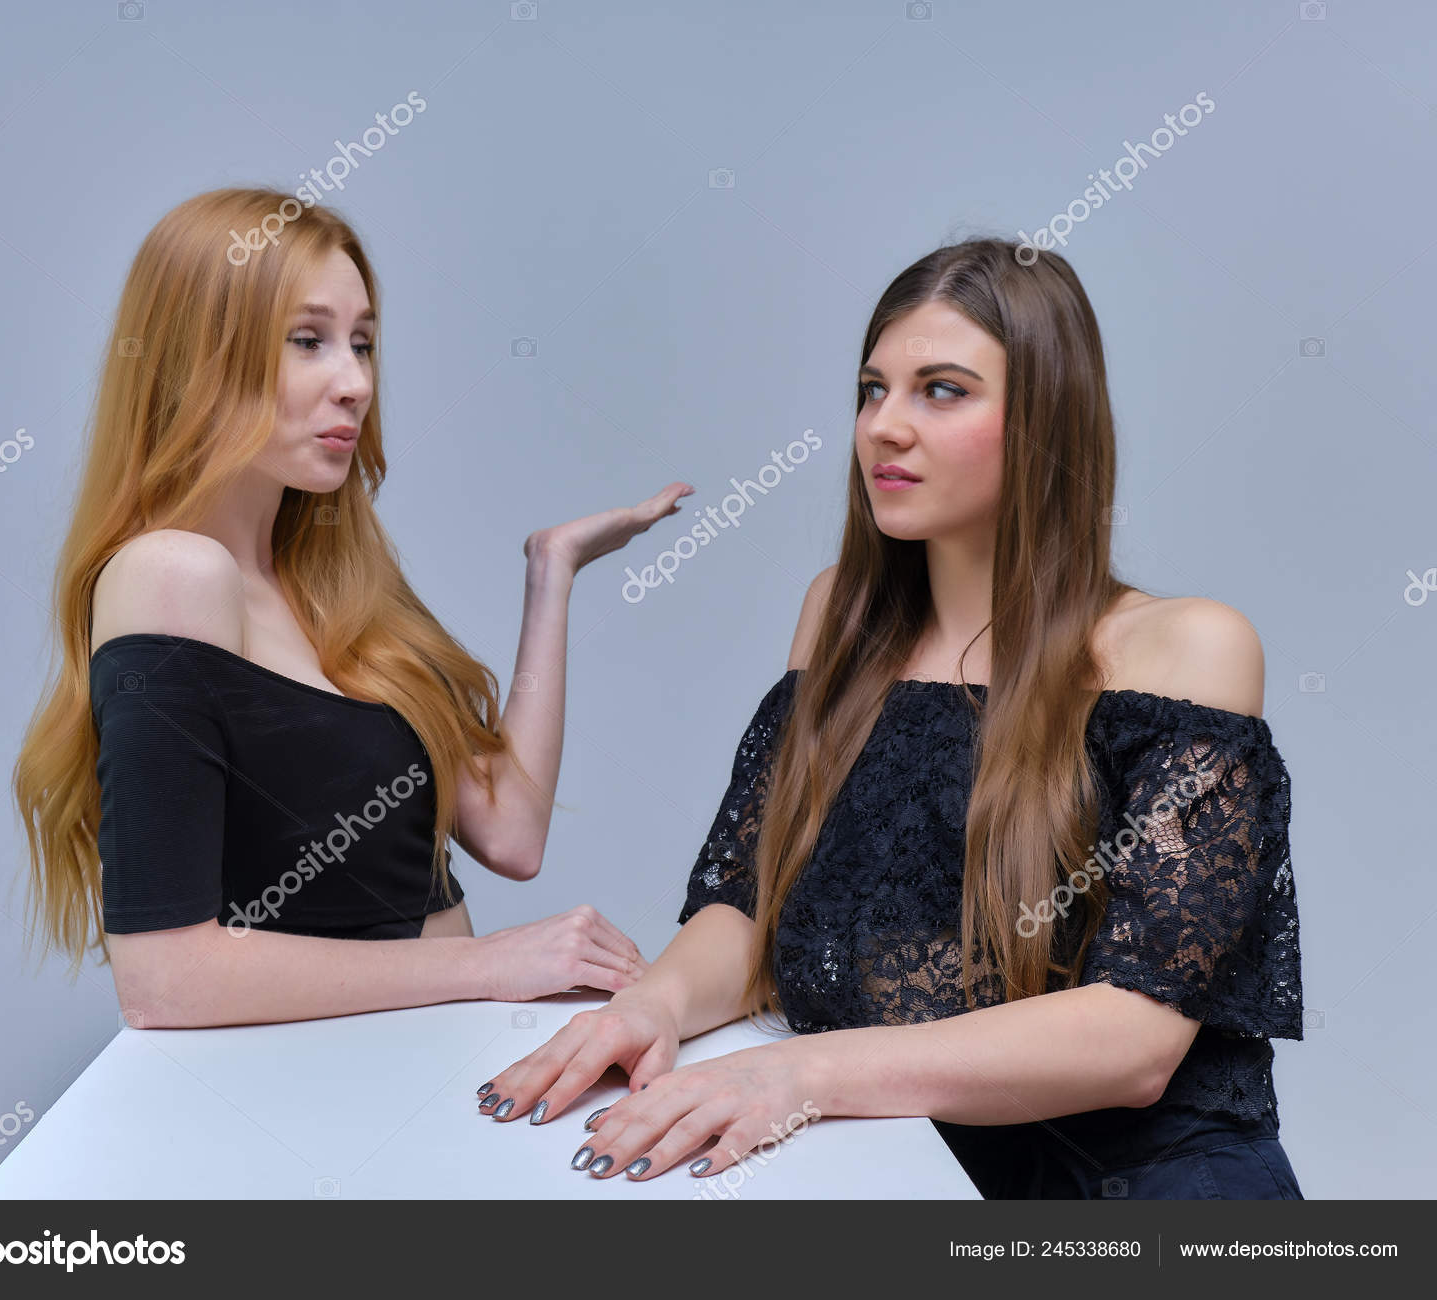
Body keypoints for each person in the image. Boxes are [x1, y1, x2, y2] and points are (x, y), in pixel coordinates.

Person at [474, 238, 1304, 1199]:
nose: (883, 428)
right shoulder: (839, 616)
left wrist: (796, 1074)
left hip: (1135, 1184)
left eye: (941, 391)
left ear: (1047, 422)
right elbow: (754, 902)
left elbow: (1134, 1040)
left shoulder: (1186, 648)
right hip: (890, 1160)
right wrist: (650, 1004)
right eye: (873, 390)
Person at [12, 187, 687, 1029]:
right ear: (200, 356)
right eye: (309, 342)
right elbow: (165, 980)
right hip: (314, 1092)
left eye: (363, 344)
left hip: (425, 1060)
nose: (356, 383)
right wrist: (486, 963)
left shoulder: (337, 583)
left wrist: (552, 576)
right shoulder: (171, 577)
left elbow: (512, 834)